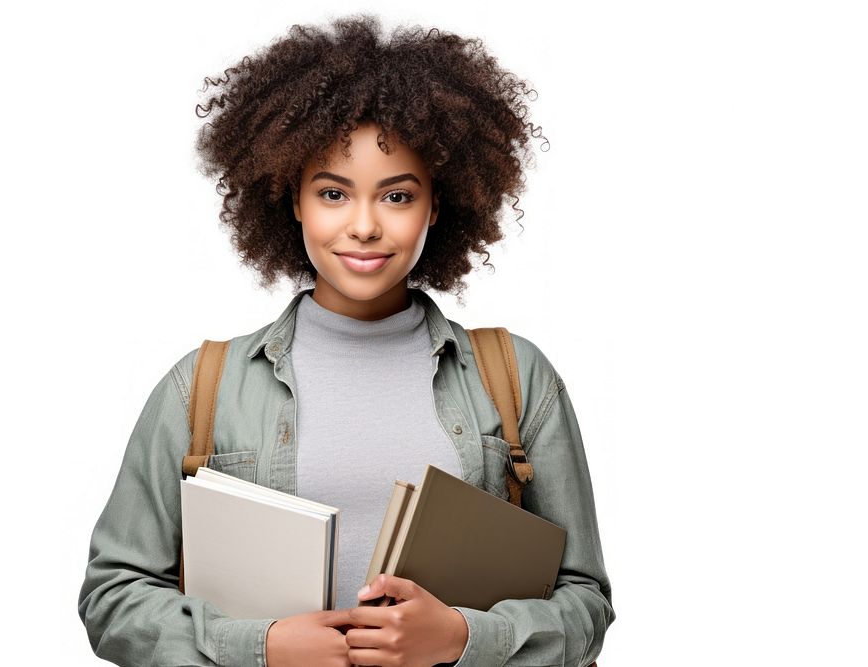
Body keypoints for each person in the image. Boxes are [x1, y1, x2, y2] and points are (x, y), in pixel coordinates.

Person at [79, 13, 614, 667]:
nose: (363, 225)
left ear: (436, 206)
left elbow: (585, 600)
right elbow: (113, 597)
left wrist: (462, 637)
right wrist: (262, 645)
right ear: (293, 200)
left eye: (396, 196)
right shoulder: (204, 385)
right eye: (333, 192)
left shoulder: (515, 376)